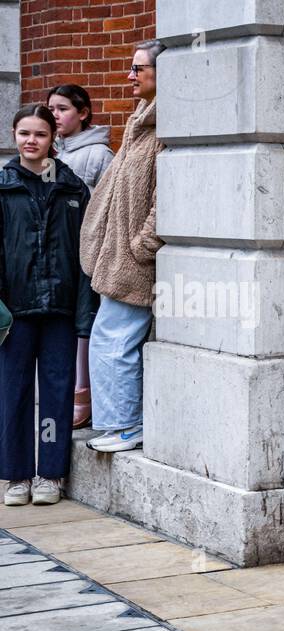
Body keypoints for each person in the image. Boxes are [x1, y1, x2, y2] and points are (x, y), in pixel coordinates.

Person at [0, 105, 95, 506]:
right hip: (13, 311)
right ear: (14, 134)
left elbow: (85, 254)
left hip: (59, 306)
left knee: (56, 394)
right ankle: (16, 476)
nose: (31, 141)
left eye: (39, 134)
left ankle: (50, 475)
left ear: (52, 138)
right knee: (13, 394)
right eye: (24, 133)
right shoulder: (3, 187)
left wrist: (83, 312)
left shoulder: (73, 188)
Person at [80, 39, 164, 453]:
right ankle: (117, 422)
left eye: (139, 69)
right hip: (117, 256)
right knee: (108, 340)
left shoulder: (162, 128)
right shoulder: (139, 123)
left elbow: (166, 197)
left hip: (132, 261)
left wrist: (141, 246)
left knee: (115, 341)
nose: (130, 76)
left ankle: (127, 425)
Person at [48, 83, 114, 430]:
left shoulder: (98, 155)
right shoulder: (50, 154)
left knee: (86, 322)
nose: (56, 115)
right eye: (52, 109)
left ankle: (83, 393)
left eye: (63, 109)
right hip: (59, 254)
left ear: (83, 113)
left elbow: (110, 207)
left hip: (88, 253)